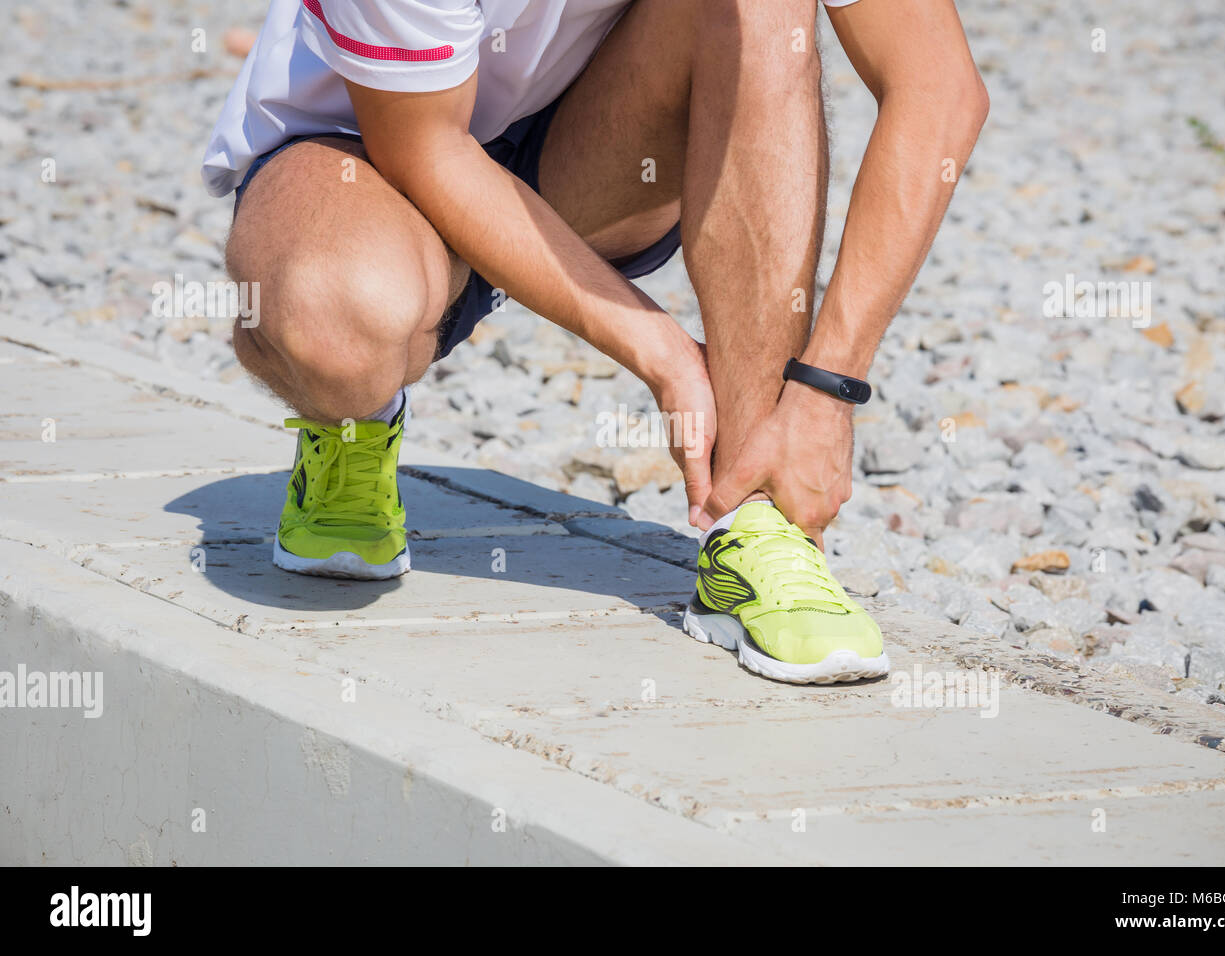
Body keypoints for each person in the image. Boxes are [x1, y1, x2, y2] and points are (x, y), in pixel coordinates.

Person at [203, 0, 987, 684]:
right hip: (372, 160)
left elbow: (939, 88)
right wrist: (661, 348)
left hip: (592, 150)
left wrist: (825, 389)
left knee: (761, 9)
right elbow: (426, 149)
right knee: (338, 328)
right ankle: (350, 429)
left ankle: (757, 517)